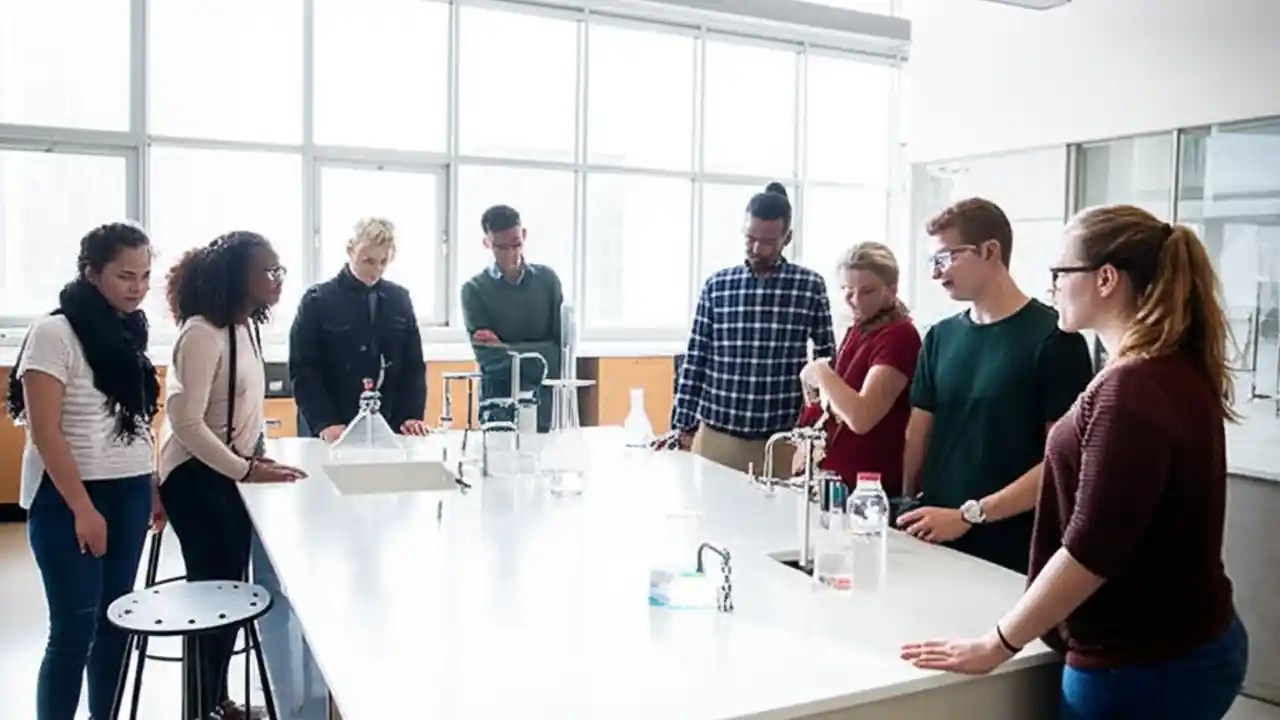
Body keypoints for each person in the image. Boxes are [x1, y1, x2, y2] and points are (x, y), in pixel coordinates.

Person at [901, 205, 1249, 720]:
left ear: (1106, 278)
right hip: (1187, 640)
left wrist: (996, 644)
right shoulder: (1168, 369)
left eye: (1060, 274)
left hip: (1139, 664)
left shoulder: (1131, 389)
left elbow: (1092, 549)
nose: (1052, 288)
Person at [4, 223, 162, 720]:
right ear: (92, 272)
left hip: (130, 489)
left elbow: (137, 419)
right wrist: (82, 509)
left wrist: (152, 482)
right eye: (124, 276)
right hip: (69, 497)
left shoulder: (131, 330)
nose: (136, 288)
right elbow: (45, 431)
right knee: (74, 629)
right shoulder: (53, 332)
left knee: (116, 622)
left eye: (144, 276)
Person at [896, 198, 1093, 573]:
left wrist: (970, 515)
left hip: (1011, 546)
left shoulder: (1055, 340)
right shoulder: (940, 337)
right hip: (932, 533)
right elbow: (918, 434)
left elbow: (1062, 464)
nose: (937, 274)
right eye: (931, 263)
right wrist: (909, 504)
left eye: (946, 258)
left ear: (990, 251)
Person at [159, 231, 306, 720]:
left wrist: (255, 458)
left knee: (228, 593)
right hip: (194, 477)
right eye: (266, 270)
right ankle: (200, 707)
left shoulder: (245, 328)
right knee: (214, 597)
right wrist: (245, 469)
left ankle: (215, 699)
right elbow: (185, 423)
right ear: (234, 276)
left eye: (278, 269)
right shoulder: (200, 333)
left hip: (227, 472)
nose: (276, 279)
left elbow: (246, 408)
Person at [660, 183, 836, 476]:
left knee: (776, 521)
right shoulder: (718, 286)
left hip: (780, 441)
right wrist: (681, 426)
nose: (756, 248)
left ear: (786, 238)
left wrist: (819, 431)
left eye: (767, 241)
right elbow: (695, 360)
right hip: (717, 436)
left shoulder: (809, 287)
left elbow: (827, 362)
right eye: (750, 238)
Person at [792, 242, 920, 495]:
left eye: (868, 291)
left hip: (869, 485)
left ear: (892, 289)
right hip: (834, 477)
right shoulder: (858, 329)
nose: (856, 301)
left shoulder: (899, 335)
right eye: (848, 291)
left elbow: (861, 417)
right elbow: (837, 400)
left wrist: (821, 371)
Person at [289, 217, 427, 441]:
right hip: (331, 424)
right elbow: (304, 369)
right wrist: (325, 423)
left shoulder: (399, 300)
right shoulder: (317, 301)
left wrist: (411, 416)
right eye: (369, 261)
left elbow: (412, 366)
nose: (376, 270)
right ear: (350, 250)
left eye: (384, 262)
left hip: (387, 423)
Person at [460, 204, 564, 432]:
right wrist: (539, 354)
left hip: (546, 407)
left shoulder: (548, 282)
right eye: (501, 247)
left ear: (524, 235)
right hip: (498, 409)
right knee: (497, 464)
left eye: (516, 244)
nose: (511, 254)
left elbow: (558, 355)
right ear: (487, 243)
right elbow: (489, 360)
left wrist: (505, 347)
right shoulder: (474, 290)